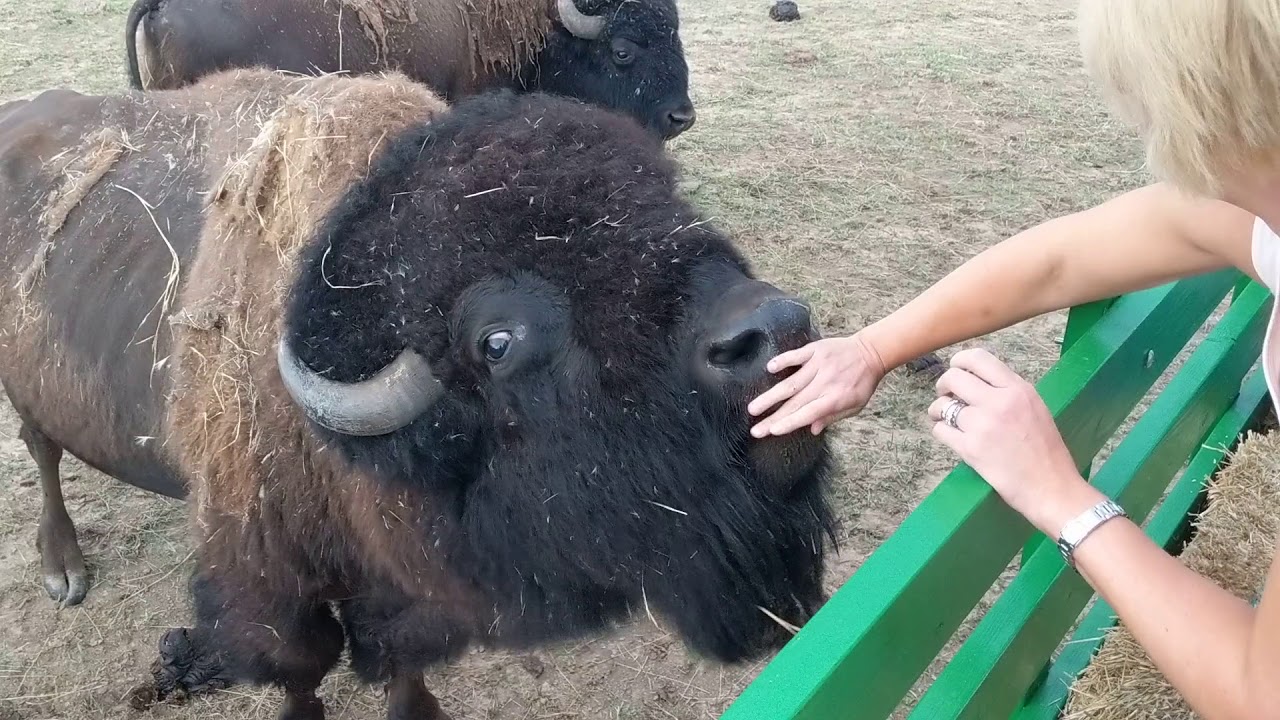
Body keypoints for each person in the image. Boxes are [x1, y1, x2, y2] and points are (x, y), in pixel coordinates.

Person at [747, 1, 1280, 718]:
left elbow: (1262, 697)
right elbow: (1063, 260)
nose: (1141, 123)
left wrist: (1056, 493)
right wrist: (872, 348)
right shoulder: (1261, 212)